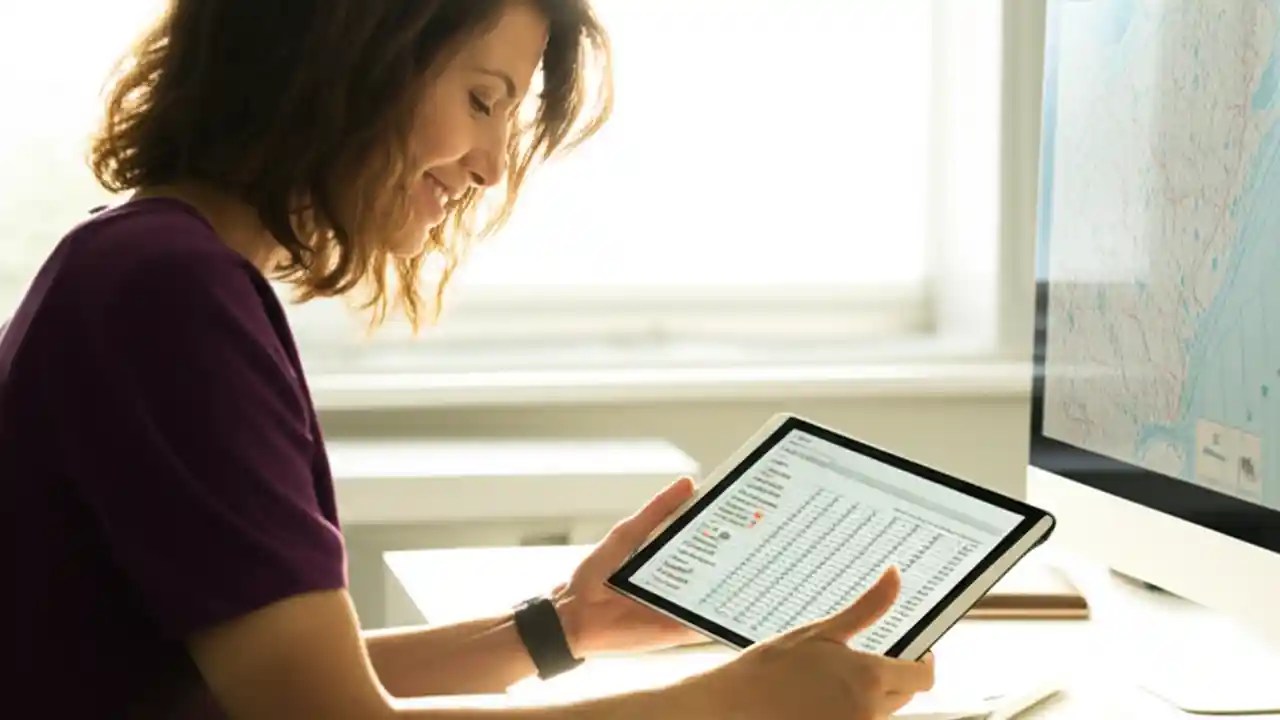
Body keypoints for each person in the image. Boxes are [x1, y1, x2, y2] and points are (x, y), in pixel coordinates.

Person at [0, 1, 935, 718]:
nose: (492, 164)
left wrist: (564, 629)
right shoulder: (170, 296)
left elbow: (269, 682)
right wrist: (722, 703)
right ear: (347, 50)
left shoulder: (142, 262)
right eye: (482, 100)